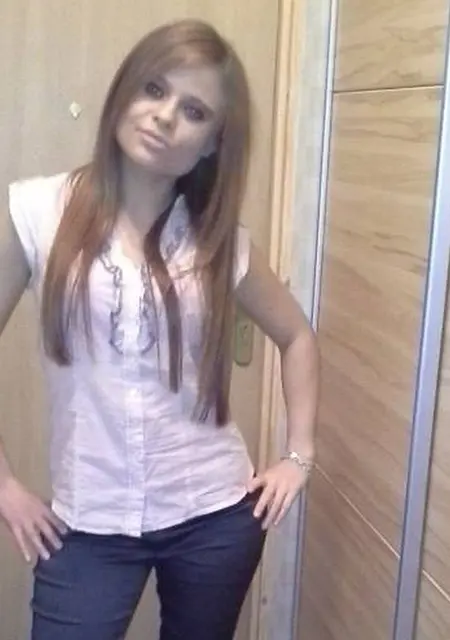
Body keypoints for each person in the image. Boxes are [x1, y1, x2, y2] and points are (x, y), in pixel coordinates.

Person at [0, 18, 319, 640]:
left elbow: (298, 337)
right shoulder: (37, 211)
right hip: (87, 522)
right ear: (125, 91)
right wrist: (5, 486)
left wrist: (298, 456)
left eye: (194, 110)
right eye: (154, 88)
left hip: (213, 515)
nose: (165, 115)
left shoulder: (220, 241)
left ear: (212, 143)